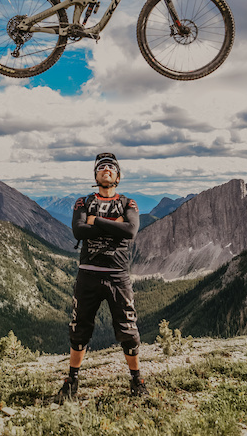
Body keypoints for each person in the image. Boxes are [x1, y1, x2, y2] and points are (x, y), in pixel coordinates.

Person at [56, 152, 147, 401]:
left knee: (128, 329)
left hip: (118, 275)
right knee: (79, 328)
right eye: (101, 167)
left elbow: (130, 231)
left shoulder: (129, 203)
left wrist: (95, 221)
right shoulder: (82, 202)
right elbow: (78, 230)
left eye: (111, 167)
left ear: (118, 176)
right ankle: (72, 381)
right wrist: (112, 223)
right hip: (88, 275)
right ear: (95, 175)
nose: (106, 169)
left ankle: (137, 381)